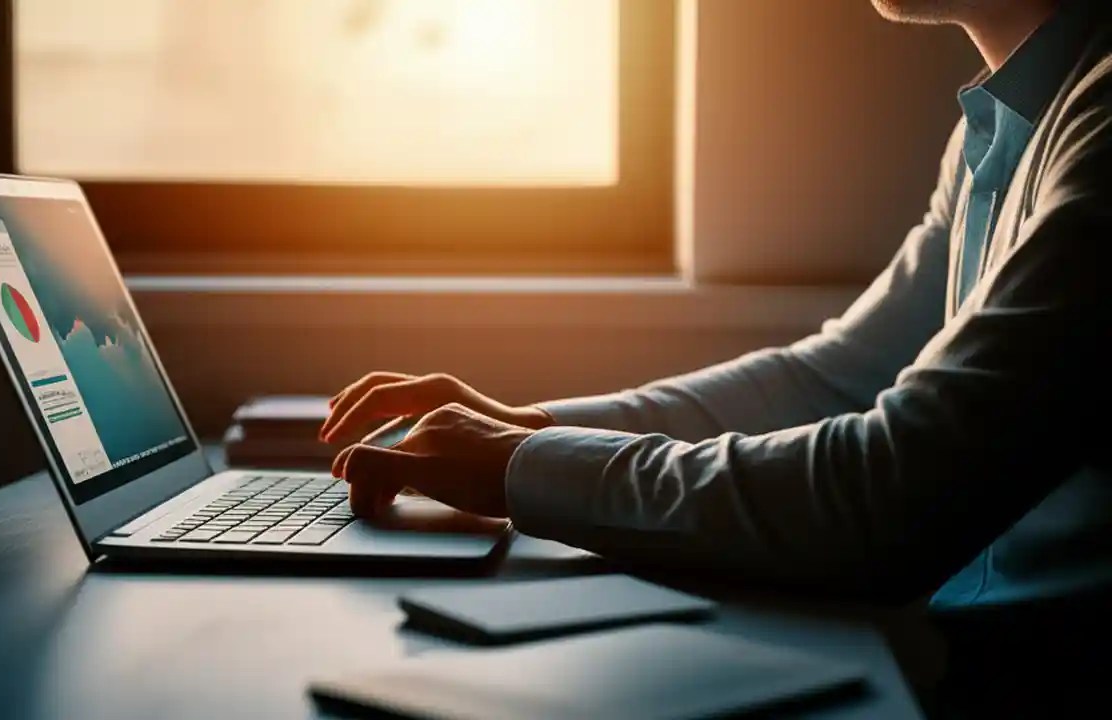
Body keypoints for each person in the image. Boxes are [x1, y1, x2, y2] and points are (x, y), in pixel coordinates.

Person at [323, 0, 1110, 711]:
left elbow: (890, 496)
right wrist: (527, 426)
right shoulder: (1010, 120)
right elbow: (832, 378)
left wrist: (521, 466)